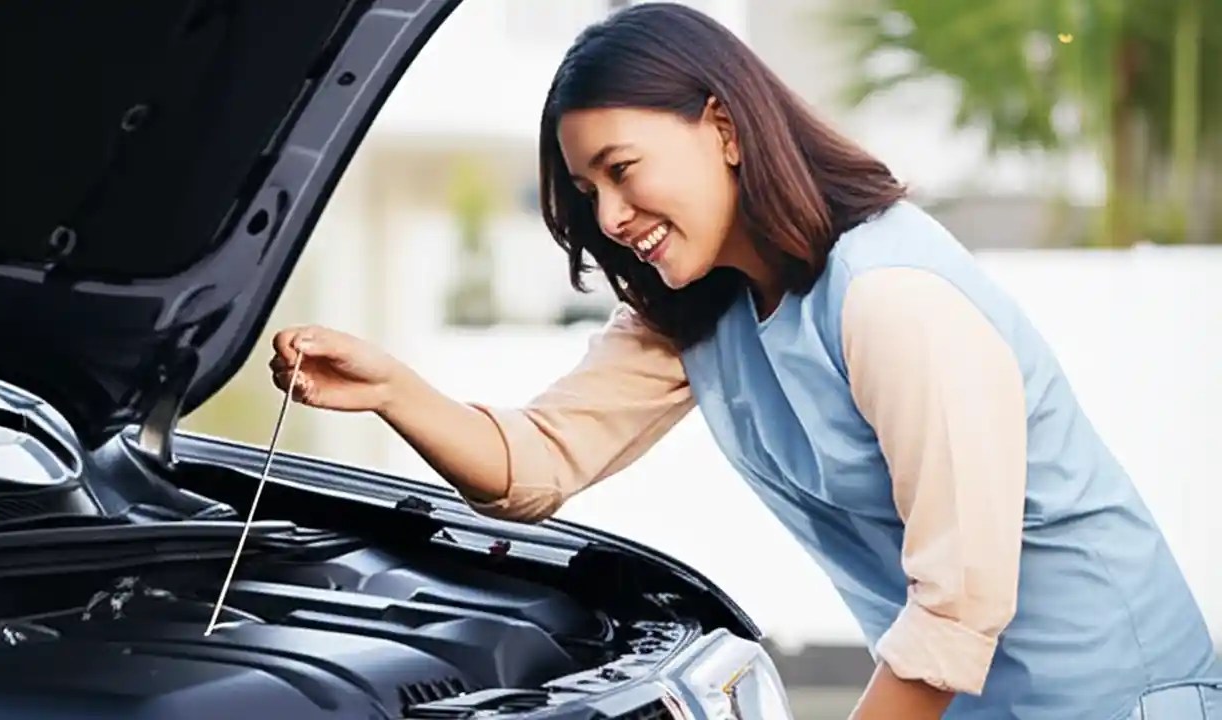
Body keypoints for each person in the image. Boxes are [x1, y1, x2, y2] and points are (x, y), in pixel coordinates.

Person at [268, 4, 1220, 718]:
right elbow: (535, 466)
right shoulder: (700, 308)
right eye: (585, 187)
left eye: (623, 169)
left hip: (1119, 697)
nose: (607, 217)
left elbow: (957, 610)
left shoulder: (891, 296)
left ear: (723, 126)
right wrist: (395, 390)